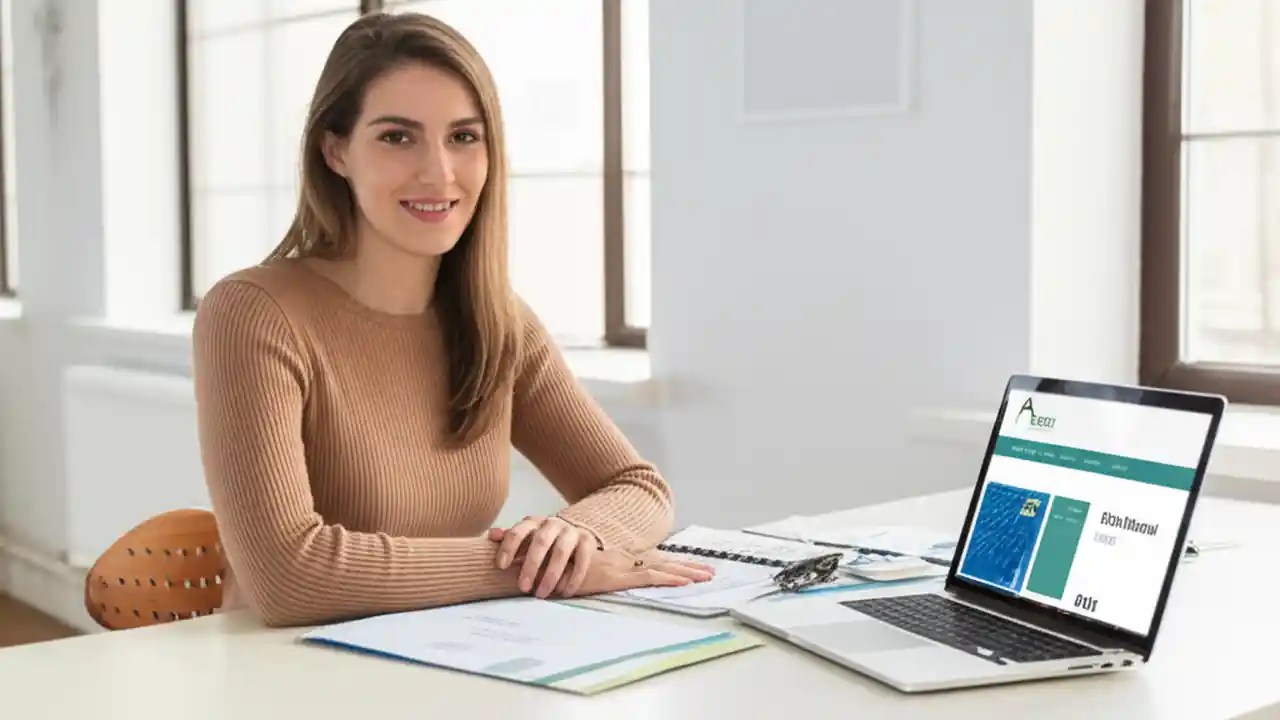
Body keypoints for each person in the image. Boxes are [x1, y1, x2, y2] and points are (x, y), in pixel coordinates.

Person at [191, 11, 714, 628]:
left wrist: (574, 539)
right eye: (397, 137)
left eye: (464, 137)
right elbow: (290, 576)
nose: (439, 173)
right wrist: (523, 570)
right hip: (289, 680)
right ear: (336, 151)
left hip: (453, 656)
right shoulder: (252, 315)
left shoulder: (499, 323)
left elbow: (637, 486)